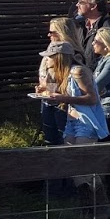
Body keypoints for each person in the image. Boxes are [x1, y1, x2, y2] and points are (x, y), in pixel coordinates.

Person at [38, 42, 106, 144]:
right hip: (71, 121)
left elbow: (92, 98)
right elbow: (67, 93)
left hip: (86, 121)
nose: (46, 59)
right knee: (68, 155)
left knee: (81, 156)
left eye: (49, 56)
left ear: (58, 57)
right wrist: (45, 89)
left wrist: (64, 98)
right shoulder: (65, 73)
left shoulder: (78, 72)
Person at [38, 18, 79, 146]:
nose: (49, 35)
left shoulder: (72, 54)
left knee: (62, 140)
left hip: (63, 105)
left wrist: (46, 86)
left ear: (62, 32)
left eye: (52, 32)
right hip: (48, 101)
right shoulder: (51, 49)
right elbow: (44, 73)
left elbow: (65, 82)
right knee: (49, 139)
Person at [72, 0, 110, 67]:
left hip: (97, 75)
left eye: (81, 2)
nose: (77, 5)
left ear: (93, 6)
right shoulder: (80, 25)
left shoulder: (109, 29)